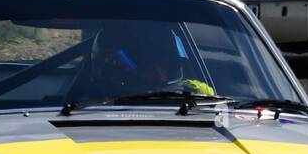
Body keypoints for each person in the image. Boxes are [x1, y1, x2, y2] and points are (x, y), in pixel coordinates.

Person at [82, 23, 214, 100]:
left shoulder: (193, 91)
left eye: (165, 68)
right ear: (116, 66)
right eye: (149, 68)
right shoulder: (87, 102)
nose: (161, 77)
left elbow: (225, 107)